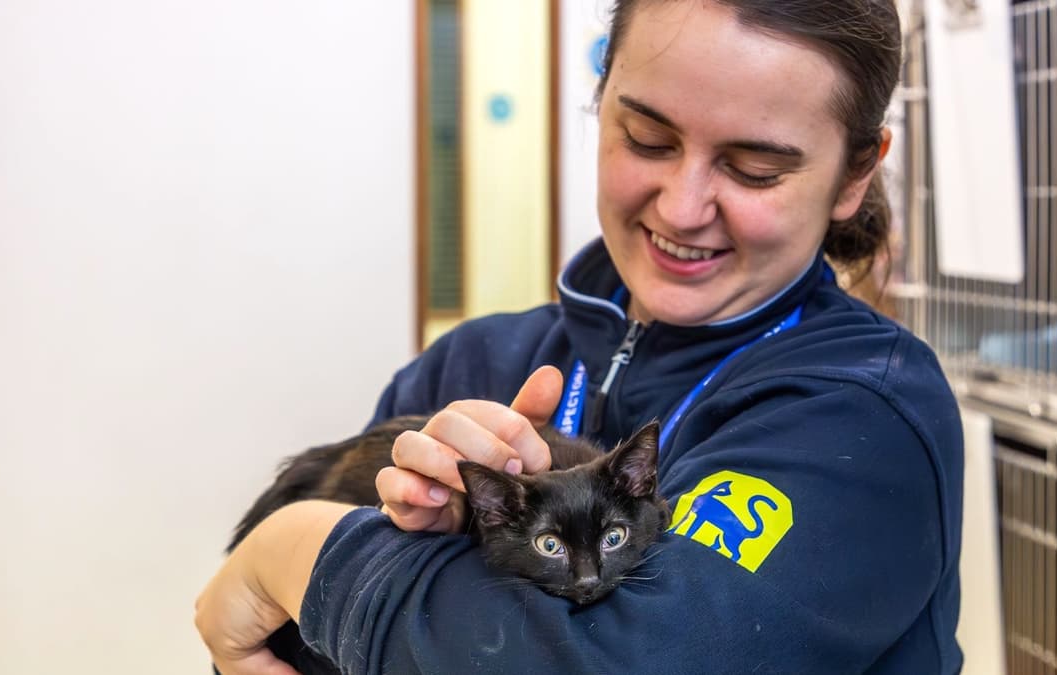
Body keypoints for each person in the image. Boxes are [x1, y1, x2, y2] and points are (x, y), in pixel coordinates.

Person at [196, 0, 965, 673]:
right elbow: (282, 641)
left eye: (754, 167)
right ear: (600, 104)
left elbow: (630, 661)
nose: (684, 205)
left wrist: (295, 552)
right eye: (648, 138)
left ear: (856, 175)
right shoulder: (474, 364)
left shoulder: (865, 415)